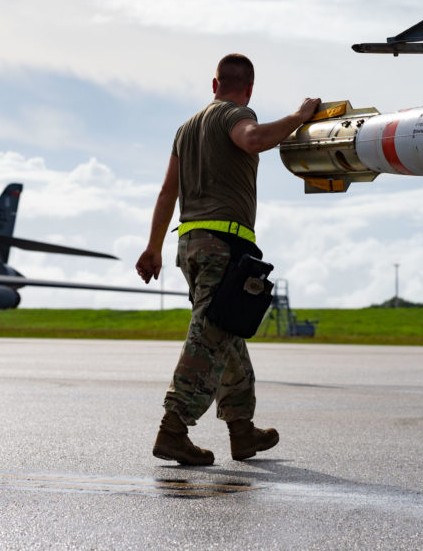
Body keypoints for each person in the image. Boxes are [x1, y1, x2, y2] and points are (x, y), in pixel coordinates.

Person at [135, 54, 320, 465]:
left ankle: (241, 430)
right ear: (249, 89)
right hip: (223, 245)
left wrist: (153, 247)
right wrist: (298, 117)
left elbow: (168, 192)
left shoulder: (186, 129)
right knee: (208, 337)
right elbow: (252, 139)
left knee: (226, 334)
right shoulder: (236, 115)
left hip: (191, 244)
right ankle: (173, 429)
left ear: (214, 84)